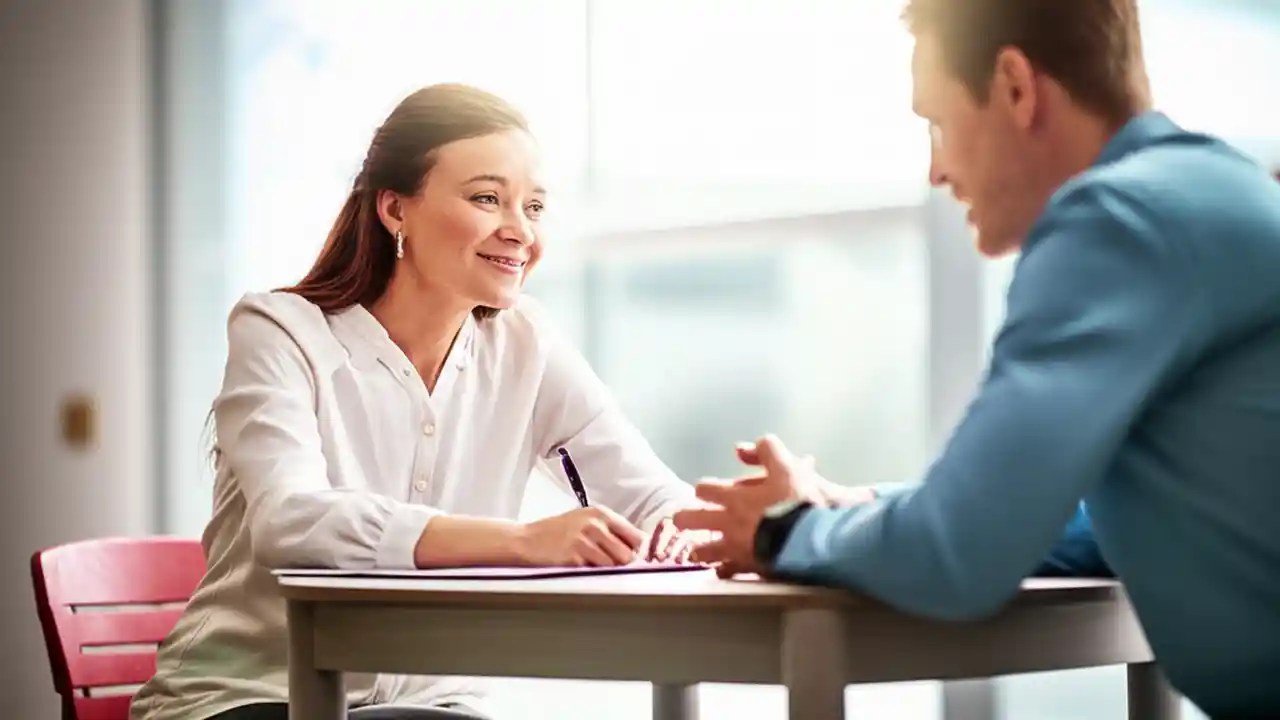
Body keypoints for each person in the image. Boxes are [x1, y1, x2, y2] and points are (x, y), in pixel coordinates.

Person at [675, 1, 1280, 717]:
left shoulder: (1118, 222)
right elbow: (1084, 526)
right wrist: (847, 507)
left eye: (936, 121)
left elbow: (957, 554)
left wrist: (783, 533)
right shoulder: (1214, 194)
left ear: (1016, 87)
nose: (935, 169)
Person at [131, 84, 703, 720]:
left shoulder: (526, 343)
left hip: (435, 705)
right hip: (255, 697)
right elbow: (291, 523)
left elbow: (655, 497)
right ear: (394, 209)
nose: (520, 231)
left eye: (535, 206)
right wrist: (522, 542)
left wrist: (678, 530)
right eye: (488, 198)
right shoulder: (281, 330)